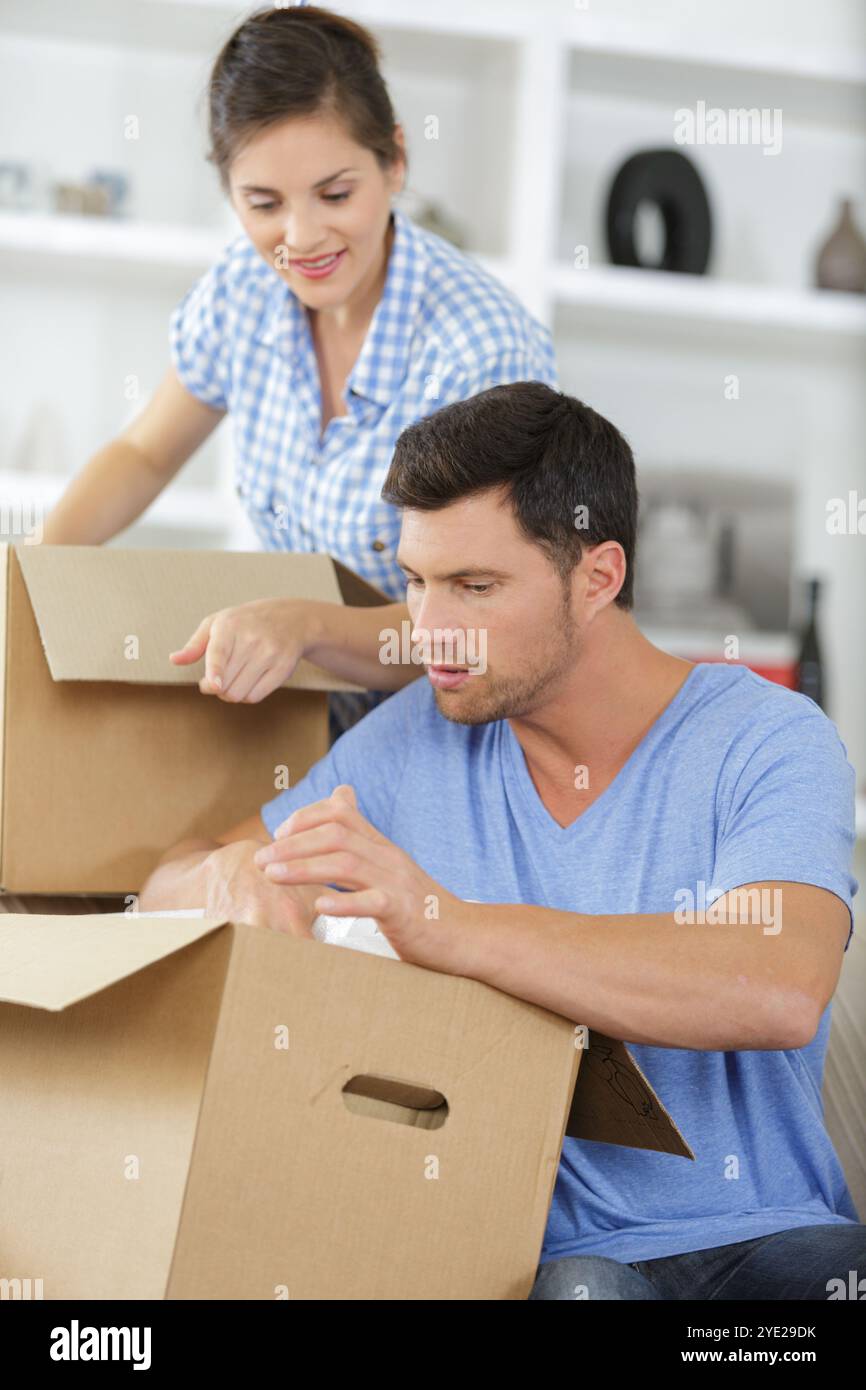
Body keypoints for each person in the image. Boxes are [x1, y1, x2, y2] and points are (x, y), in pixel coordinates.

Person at [137, 380, 863, 1300]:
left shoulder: (766, 737)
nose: (427, 632)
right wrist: (228, 877)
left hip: (779, 1243)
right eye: (415, 581)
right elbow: (163, 881)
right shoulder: (415, 740)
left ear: (598, 576)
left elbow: (775, 984)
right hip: (563, 1261)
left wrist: (447, 925)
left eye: (474, 588)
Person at [41, 5, 557, 736]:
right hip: (299, 723)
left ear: (396, 161)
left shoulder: (479, 352)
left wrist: (306, 627)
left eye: (335, 194)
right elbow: (146, 452)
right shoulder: (243, 294)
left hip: (449, 737)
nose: (302, 238)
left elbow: (478, 627)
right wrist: (36, 575)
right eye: (263, 203)